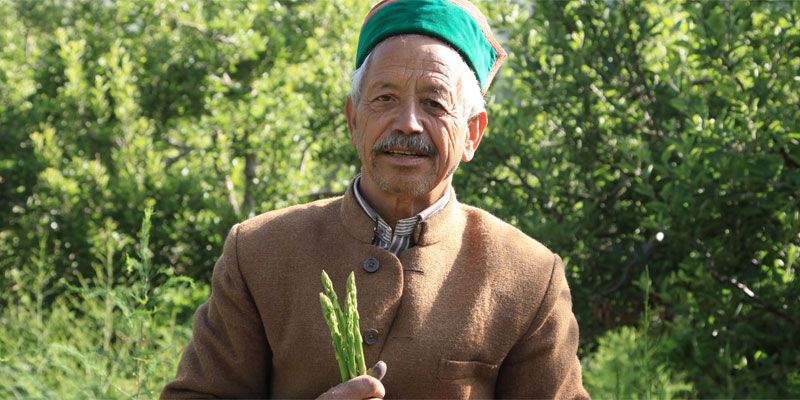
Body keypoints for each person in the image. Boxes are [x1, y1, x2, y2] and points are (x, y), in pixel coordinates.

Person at [162, 0, 589, 398]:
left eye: (434, 103)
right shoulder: (258, 252)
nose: (407, 123)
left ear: (472, 134)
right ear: (353, 120)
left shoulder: (531, 278)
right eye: (385, 99)